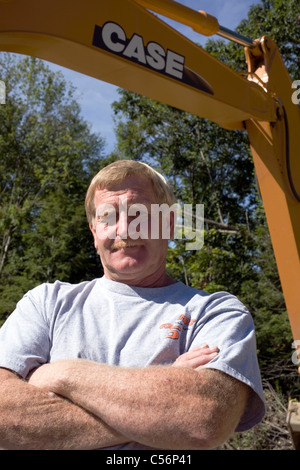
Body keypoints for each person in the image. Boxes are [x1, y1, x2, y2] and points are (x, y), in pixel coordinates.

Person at [0, 160, 265, 450]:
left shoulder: (216, 312)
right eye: (108, 218)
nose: (124, 230)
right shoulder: (46, 303)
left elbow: (201, 421)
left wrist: (58, 375)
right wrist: (165, 399)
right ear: (93, 231)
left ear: (169, 224)